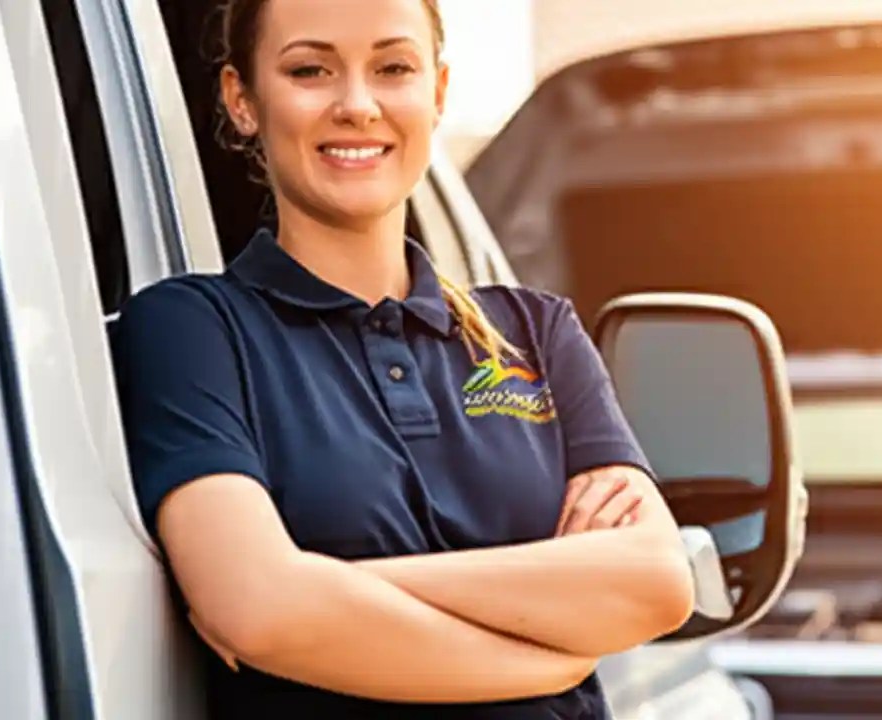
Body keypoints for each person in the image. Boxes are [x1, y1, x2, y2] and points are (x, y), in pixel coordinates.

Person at [111, 0, 695, 717]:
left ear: (438, 93)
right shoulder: (191, 331)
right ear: (242, 100)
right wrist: (553, 658)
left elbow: (658, 583)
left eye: (393, 68)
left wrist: (328, 586)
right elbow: (255, 608)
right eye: (309, 70)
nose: (357, 105)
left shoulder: (537, 331)